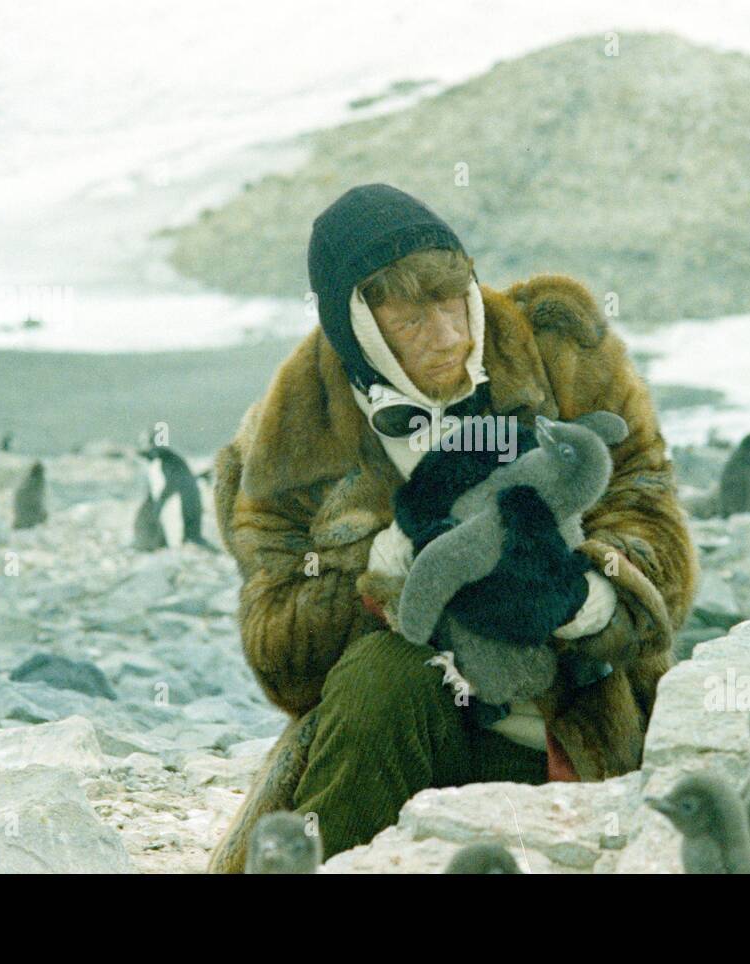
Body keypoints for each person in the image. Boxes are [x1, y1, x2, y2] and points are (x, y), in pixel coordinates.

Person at [207, 183, 697, 871]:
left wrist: (592, 598)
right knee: (382, 675)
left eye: (453, 303)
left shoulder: (560, 353)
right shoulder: (296, 432)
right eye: (411, 320)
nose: (447, 337)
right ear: (359, 328)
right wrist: (384, 570)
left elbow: (646, 501)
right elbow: (280, 652)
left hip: (575, 716)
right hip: (407, 728)